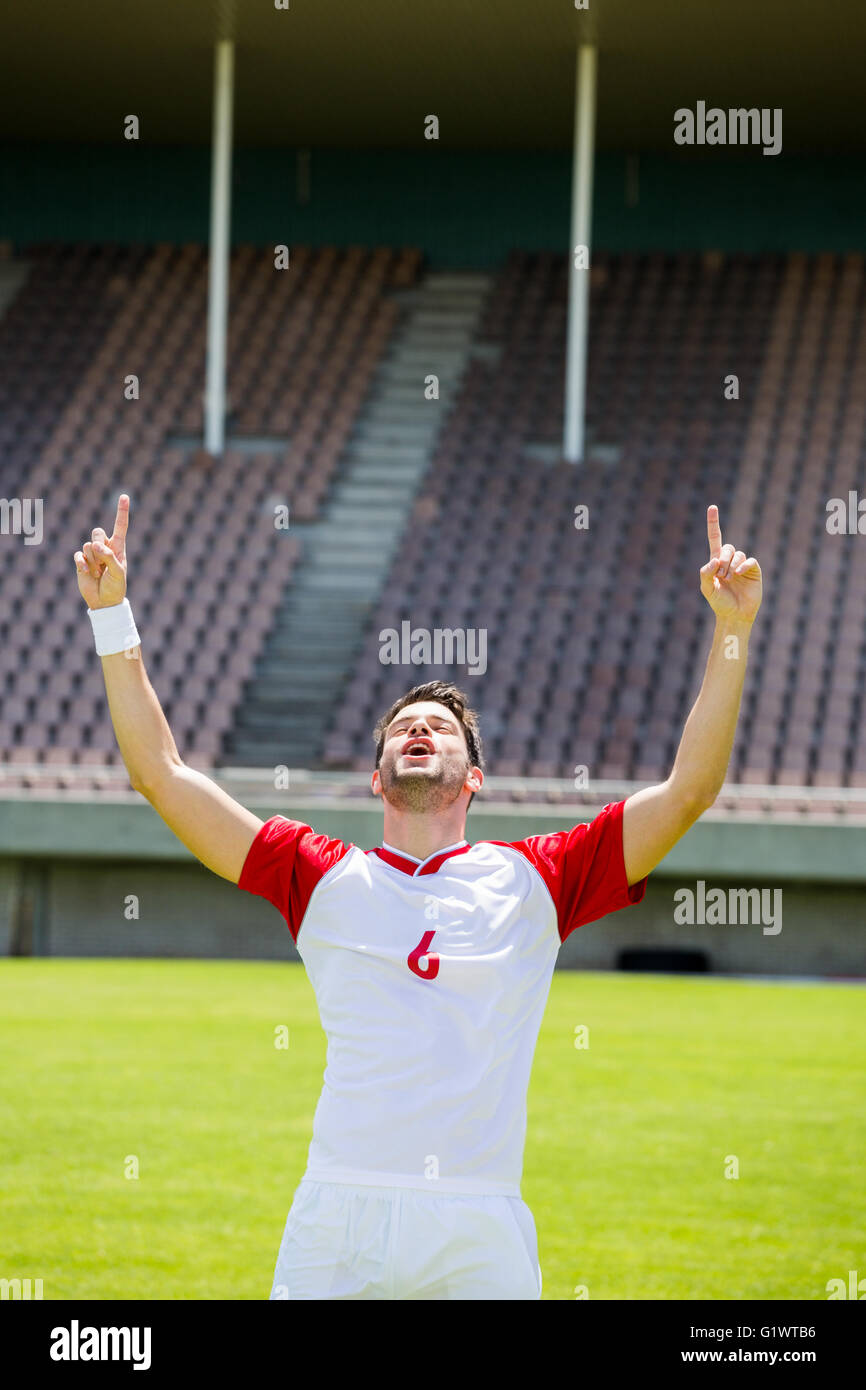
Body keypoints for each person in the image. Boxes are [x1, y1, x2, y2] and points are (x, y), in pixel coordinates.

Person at [75, 494, 762, 1299]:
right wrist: (112, 616)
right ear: (376, 778)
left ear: (475, 776)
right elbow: (161, 775)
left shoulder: (541, 878)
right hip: (339, 1215)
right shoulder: (317, 874)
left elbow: (689, 791)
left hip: (478, 1223)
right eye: (404, 728)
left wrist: (732, 630)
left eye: (440, 727)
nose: (419, 731)